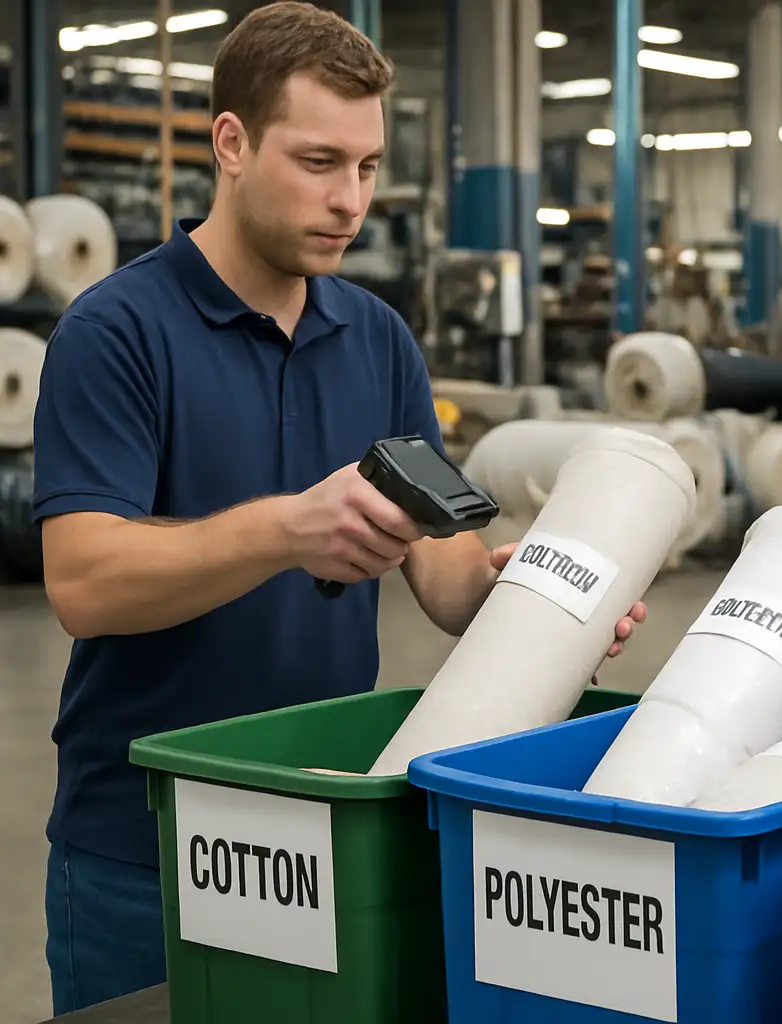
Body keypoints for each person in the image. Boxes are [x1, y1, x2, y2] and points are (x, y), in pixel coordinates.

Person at [29, 3, 643, 1014]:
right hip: (146, 848)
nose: (350, 200)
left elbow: (446, 573)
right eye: (318, 162)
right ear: (232, 143)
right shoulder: (117, 331)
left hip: (323, 827)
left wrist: (537, 602)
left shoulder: (378, 338)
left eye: (366, 166)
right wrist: (286, 529)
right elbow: (85, 583)